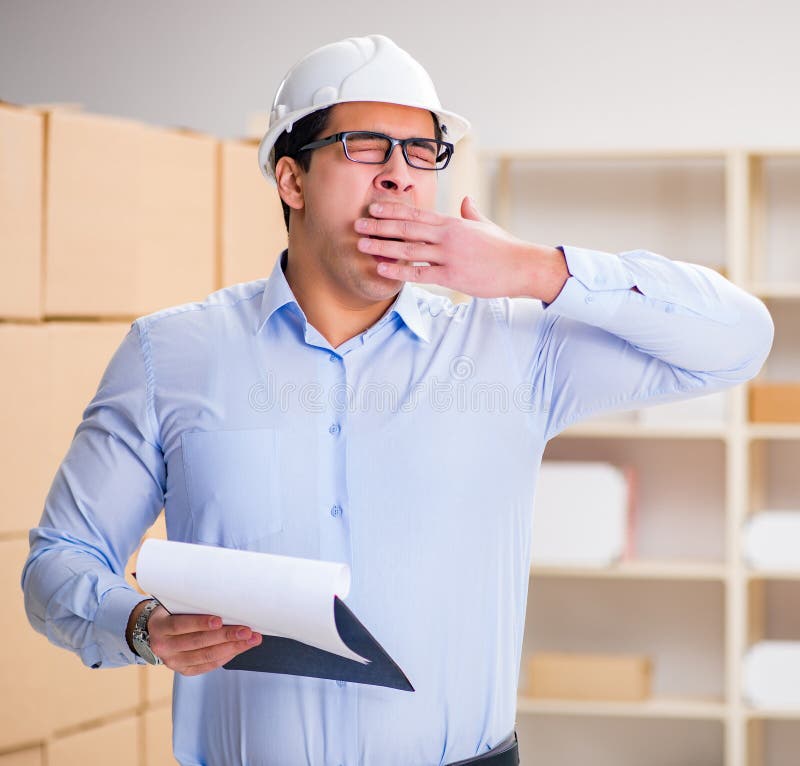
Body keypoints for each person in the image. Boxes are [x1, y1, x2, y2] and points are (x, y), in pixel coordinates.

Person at [22, 33, 773, 766]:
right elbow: (59, 561)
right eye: (365, 147)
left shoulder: (513, 344)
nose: (400, 176)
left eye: (422, 152)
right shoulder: (172, 355)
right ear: (291, 180)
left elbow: (739, 338)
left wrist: (539, 269)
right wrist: (140, 624)